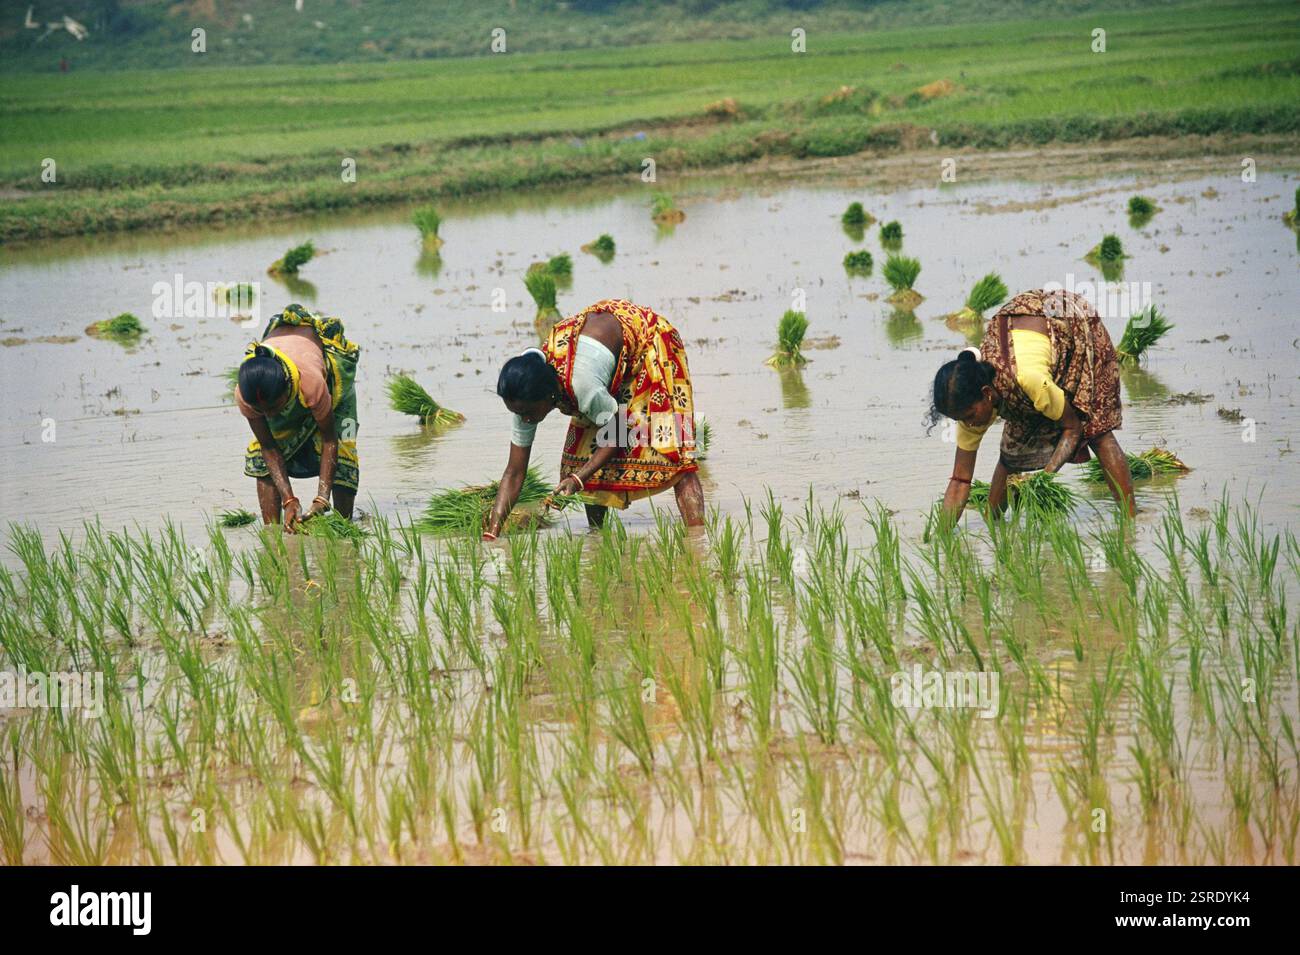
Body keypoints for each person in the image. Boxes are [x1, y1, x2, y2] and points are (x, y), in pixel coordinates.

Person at [486, 298, 704, 538]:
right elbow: (514, 472)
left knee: (676, 450)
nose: (524, 419)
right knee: (583, 453)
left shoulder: (583, 386)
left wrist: (579, 479)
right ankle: (597, 538)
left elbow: (620, 431)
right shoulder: (523, 396)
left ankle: (698, 538)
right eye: (517, 413)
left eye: (528, 413)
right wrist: (493, 531)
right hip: (607, 360)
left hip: (650, 343)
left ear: (549, 397)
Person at [929, 288, 1135, 522]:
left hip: (1073, 327)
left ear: (987, 394)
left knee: (1096, 430)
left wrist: (1043, 479)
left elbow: (1073, 428)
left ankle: (1130, 520)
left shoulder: (1029, 379)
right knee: (1012, 453)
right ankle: (993, 524)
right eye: (961, 420)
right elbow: (960, 480)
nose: (968, 423)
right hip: (1023, 347)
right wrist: (941, 538)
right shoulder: (970, 403)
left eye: (969, 415)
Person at [235, 304, 360, 530]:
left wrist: (322, 497)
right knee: (260, 459)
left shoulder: (309, 382)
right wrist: (289, 500)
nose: (270, 415)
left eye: (274, 407)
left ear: (287, 389)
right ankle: (274, 532)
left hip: (333, 385)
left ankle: (344, 527)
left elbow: (330, 439)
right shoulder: (246, 395)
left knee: (344, 449)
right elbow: (269, 447)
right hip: (287, 384)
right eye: (263, 411)